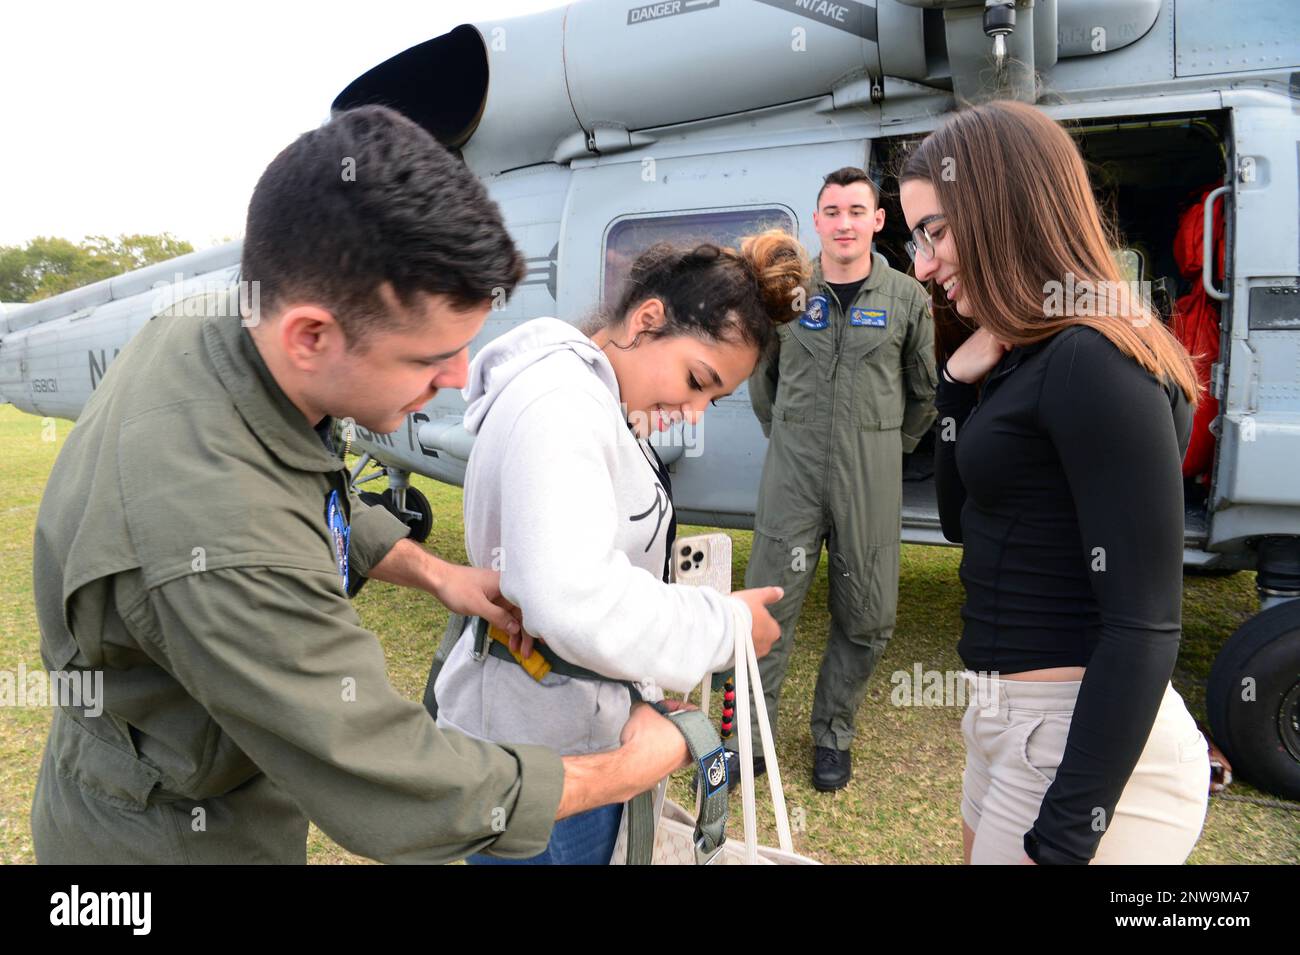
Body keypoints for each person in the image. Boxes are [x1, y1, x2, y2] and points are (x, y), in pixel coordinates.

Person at [29, 105, 694, 865]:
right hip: (167, 838)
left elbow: (313, 483)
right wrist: (632, 763)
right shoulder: (225, 541)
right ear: (311, 336)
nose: (458, 377)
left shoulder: (227, 329)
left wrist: (438, 572)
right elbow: (394, 779)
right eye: (427, 359)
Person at [898, 99, 1209, 865]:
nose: (923, 265)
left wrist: (1068, 834)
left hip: (1074, 737)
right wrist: (954, 389)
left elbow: (1145, 626)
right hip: (1004, 720)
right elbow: (958, 520)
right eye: (915, 239)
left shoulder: (1091, 359)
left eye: (934, 231)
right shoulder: (1022, 359)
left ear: (1002, 205)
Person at [430, 233, 807, 864]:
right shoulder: (563, 403)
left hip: (568, 734)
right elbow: (574, 598)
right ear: (648, 319)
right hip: (541, 756)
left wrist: (642, 688)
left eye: (712, 399)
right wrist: (726, 623)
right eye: (697, 380)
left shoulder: (593, 399)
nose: (692, 412)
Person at [733, 167, 938, 791]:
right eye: (831, 211)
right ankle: (748, 737)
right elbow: (762, 383)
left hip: (870, 478)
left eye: (857, 210)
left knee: (868, 613)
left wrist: (882, 447)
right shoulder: (788, 294)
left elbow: (923, 393)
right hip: (793, 474)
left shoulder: (908, 298)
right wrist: (795, 436)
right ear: (816, 222)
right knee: (766, 608)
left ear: (878, 221)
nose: (844, 222)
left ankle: (832, 736)